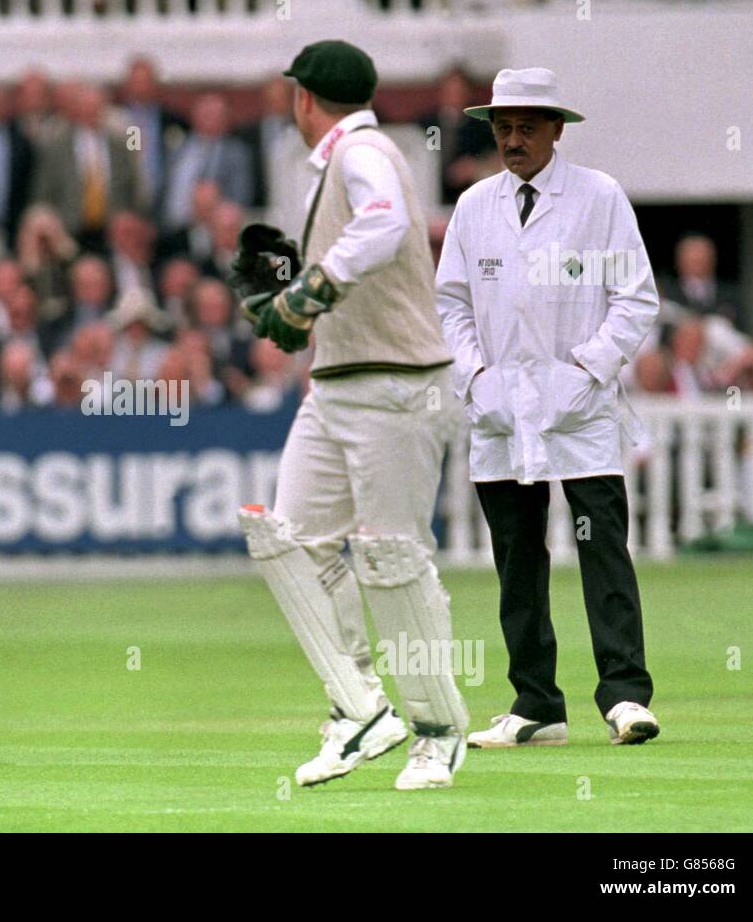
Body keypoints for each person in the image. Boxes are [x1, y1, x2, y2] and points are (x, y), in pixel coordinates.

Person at [237, 41, 469, 791]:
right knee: (295, 542)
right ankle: (361, 707)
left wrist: (310, 289)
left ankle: (438, 731)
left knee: (393, 558)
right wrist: (295, 306)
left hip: (399, 384)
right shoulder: (342, 159)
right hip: (336, 385)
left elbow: (386, 222)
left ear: (304, 98)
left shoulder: (363, 150)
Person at [435, 68, 662, 750]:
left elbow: (636, 298)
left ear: (556, 128)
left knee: (602, 551)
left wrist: (587, 367)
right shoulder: (475, 206)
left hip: (581, 407)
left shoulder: (598, 197)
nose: (513, 138)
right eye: (503, 127)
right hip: (499, 410)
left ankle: (625, 695)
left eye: (527, 126)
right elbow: (450, 303)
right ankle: (536, 702)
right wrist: (475, 376)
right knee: (518, 557)